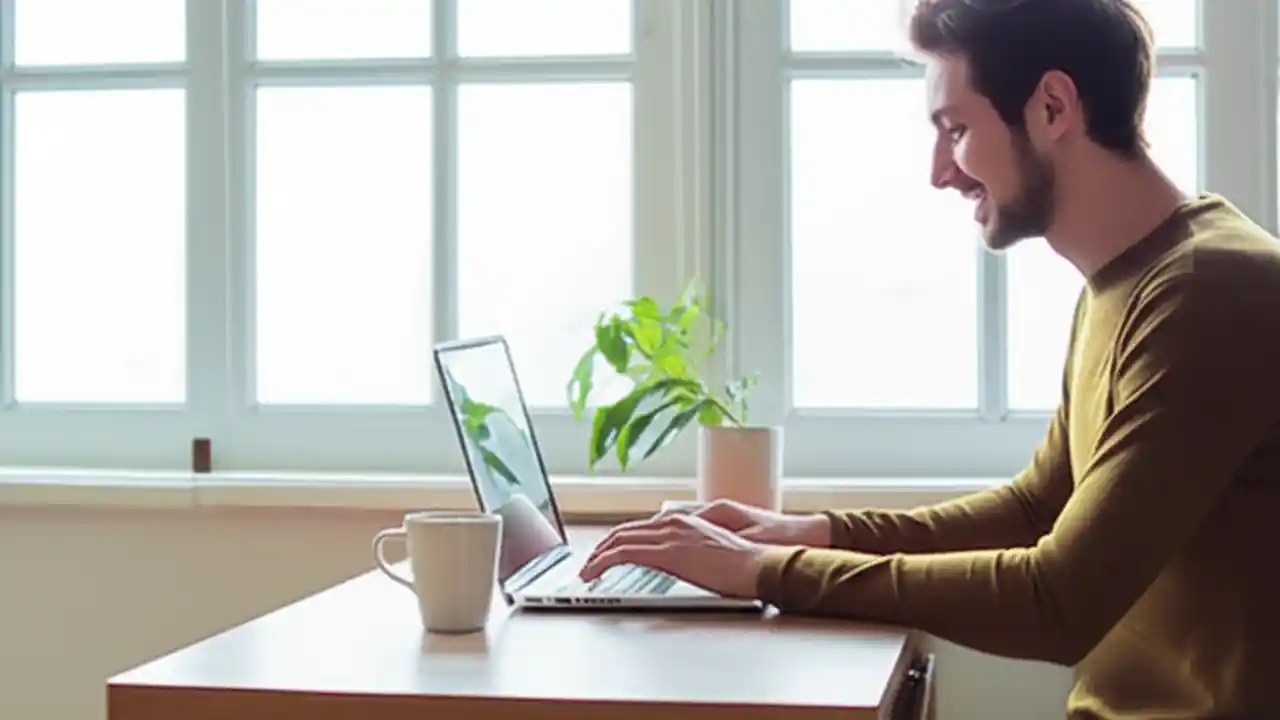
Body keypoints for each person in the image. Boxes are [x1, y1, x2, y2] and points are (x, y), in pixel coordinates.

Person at [579, 0, 1280, 717]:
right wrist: (812, 533)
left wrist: (763, 570)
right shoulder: (1133, 280)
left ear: (1052, 106)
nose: (941, 172)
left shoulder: (1208, 292)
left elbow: (1057, 600)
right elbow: (1040, 506)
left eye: (957, 129)